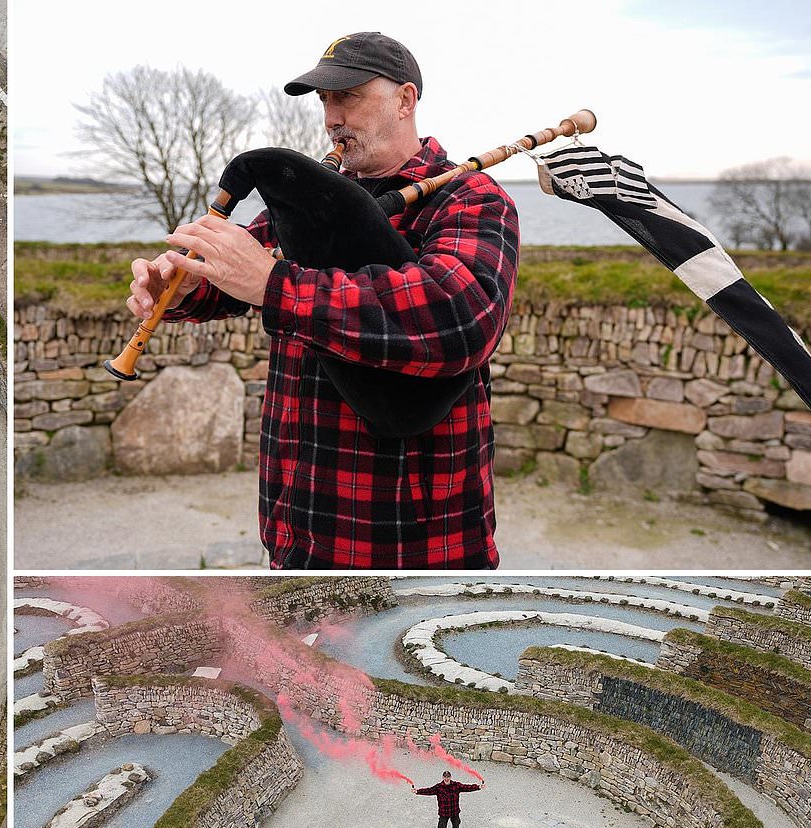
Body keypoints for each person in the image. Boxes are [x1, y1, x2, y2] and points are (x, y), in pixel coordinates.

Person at [128, 32, 519, 569]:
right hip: (296, 517)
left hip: (413, 536)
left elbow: (459, 318)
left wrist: (271, 283)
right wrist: (189, 289)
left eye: (348, 96)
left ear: (405, 100)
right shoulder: (317, 196)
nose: (332, 117)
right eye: (325, 101)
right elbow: (243, 271)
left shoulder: (470, 198)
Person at [411, 769, 483, 828]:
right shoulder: (438, 787)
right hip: (443, 813)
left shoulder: (456, 785)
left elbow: (466, 787)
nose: (446, 779)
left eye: (448, 777)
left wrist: (478, 787)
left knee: (456, 825)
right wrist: (417, 791)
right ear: (442, 777)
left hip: (454, 811)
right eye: (445, 777)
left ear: (450, 777)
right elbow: (428, 790)